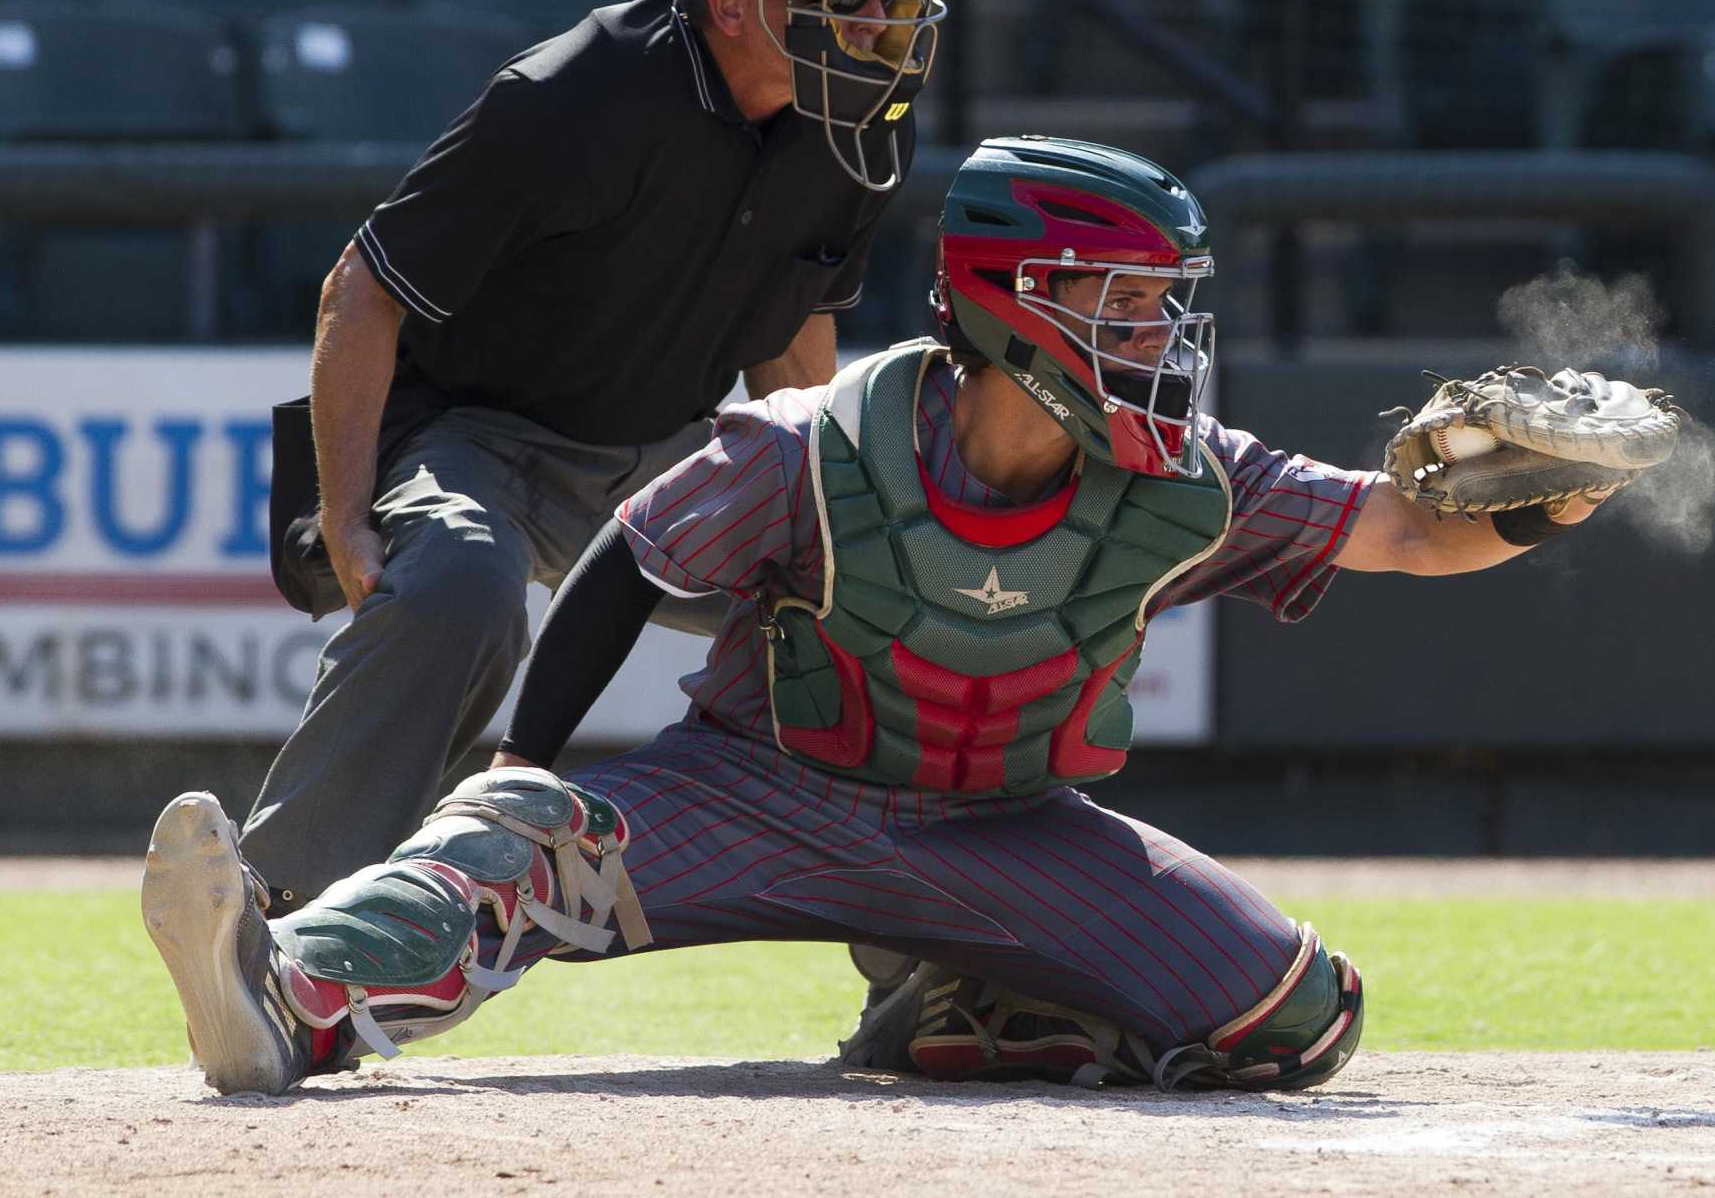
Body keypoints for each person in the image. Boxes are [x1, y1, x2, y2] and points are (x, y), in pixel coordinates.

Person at [143, 137, 1632, 1097]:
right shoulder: (816, 445)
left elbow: (1402, 528)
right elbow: (624, 566)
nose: (1160, 341)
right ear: (1010, 304)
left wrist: (1546, 501)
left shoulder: (1188, 475)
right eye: (1121, 307)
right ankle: (282, 987)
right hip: (755, 791)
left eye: (1162, 307)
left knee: (1298, 1020)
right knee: (515, 850)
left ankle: (951, 1011)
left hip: (1006, 828)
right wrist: (528, 756)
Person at [242, 0, 954, 916]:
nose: (877, 30)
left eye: (892, 4)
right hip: (471, 432)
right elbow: (361, 288)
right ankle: (283, 915)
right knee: (459, 582)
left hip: (661, 450)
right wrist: (344, 515)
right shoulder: (572, 92)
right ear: (730, 1)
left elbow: (793, 347)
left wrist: (843, 526)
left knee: (878, 611)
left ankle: (933, 957)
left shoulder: (854, 126)